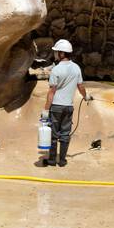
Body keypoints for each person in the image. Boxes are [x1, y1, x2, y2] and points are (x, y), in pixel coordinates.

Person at [40, 39, 86, 168]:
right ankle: (62, 161)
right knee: (65, 134)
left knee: (53, 134)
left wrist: (45, 110)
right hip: (68, 107)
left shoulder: (56, 70)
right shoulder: (76, 68)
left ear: (61, 54)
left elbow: (51, 92)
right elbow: (80, 86)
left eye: (56, 52)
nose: (55, 54)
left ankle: (52, 160)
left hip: (56, 107)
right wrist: (86, 96)